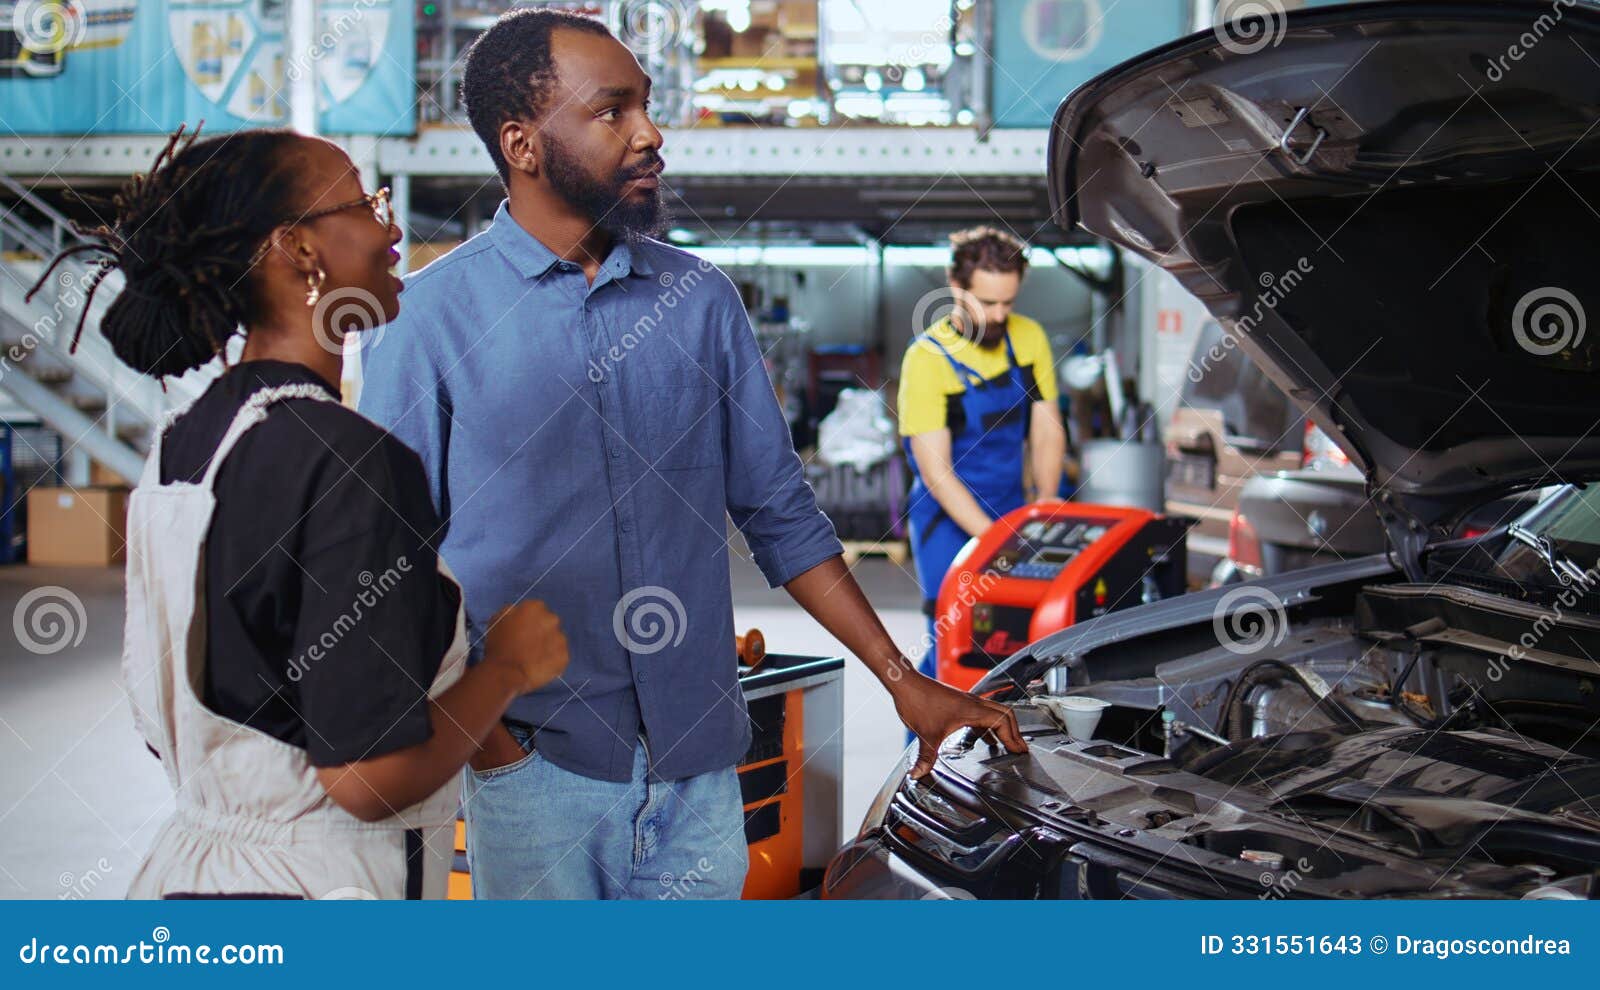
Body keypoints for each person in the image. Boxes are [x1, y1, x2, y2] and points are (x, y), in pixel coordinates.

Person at [357, 8, 1026, 901]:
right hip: (539, 772)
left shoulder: (700, 301)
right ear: (522, 143)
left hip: (701, 765)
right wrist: (497, 748)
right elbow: (392, 565)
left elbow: (782, 515)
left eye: (646, 106)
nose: (651, 133)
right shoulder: (428, 322)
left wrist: (905, 682)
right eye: (614, 112)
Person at [28, 125, 569, 899]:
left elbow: (193, 709)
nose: (391, 229)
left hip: (187, 880)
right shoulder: (351, 462)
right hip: (318, 892)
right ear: (298, 249)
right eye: (364, 203)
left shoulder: (187, 443)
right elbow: (366, 780)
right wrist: (508, 668)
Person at [897, 227, 1068, 679]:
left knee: (1022, 639)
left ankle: (1003, 745)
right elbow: (936, 471)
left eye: (1008, 303)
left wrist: (1045, 506)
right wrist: (996, 543)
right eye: (987, 303)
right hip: (946, 519)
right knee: (954, 641)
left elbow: (1047, 431)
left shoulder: (1028, 338)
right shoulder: (926, 359)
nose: (998, 315)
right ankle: (924, 750)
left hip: (1013, 506)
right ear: (956, 287)